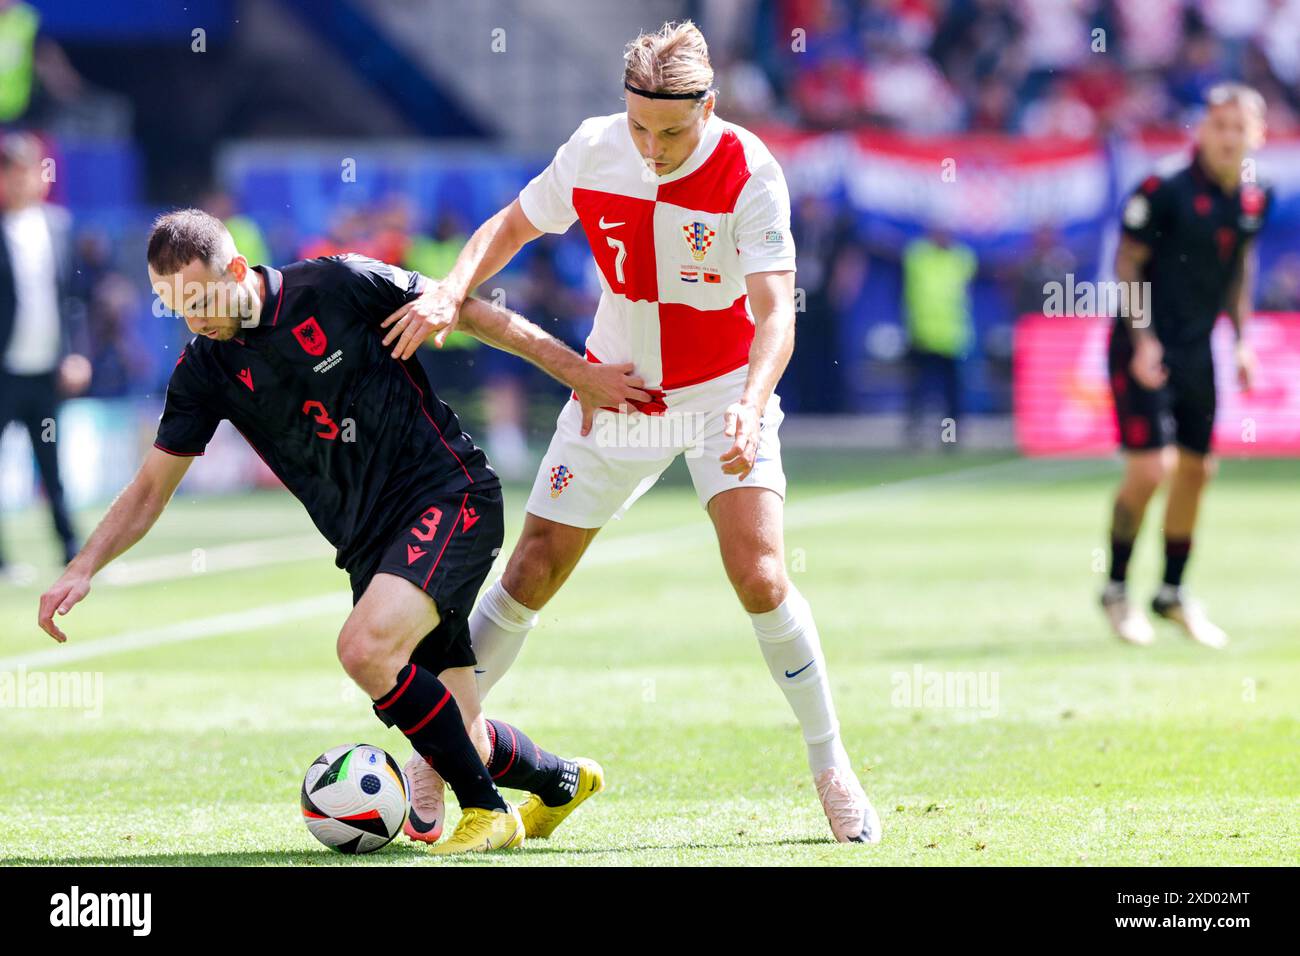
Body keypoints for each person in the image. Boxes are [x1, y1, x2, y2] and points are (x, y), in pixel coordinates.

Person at [379, 21, 881, 844]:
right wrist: (451, 288)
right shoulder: (593, 148)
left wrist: (752, 403)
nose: (651, 146)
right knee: (531, 569)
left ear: (710, 107)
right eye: (640, 125)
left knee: (758, 574)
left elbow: (772, 317)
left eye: (673, 131)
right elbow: (510, 225)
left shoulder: (751, 171)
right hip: (616, 390)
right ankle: (437, 756)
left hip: (724, 391)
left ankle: (830, 763)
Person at [37, 209, 647, 853]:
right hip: (366, 546)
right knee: (458, 730)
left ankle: (487, 812)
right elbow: (148, 490)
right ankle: (559, 781)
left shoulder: (336, 285)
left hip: (447, 494)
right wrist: (82, 566)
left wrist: (577, 372)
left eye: (200, 299)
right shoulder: (204, 370)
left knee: (364, 650)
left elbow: (464, 311)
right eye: (173, 308)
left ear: (237, 270)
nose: (193, 320)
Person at [1101, 83, 1271, 648]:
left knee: (1199, 470)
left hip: (1200, 351)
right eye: (1218, 125)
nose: (1227, 136)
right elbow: (1127, 263)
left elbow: (1238, 270)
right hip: (1141, 345)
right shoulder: (1163, 187)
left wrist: (1242, 341)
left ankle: (1172, 592)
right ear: (1200, 130)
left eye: (1238, 127)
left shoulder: (1251, 198)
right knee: (1153, 470)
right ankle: (1117, 590)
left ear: (1256, 136)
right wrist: (1144, 338)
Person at [0, 131, 89, 578]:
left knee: (53, 467)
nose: (20, 181)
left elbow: (73, 300)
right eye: (10, 172)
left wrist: (75, 354)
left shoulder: (57, 227)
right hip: (5, 373)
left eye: (27, 171)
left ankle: (71, 550)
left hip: (45, 372)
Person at [901, 226, 976, 448]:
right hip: (923, 336)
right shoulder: (919, 257)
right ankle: (916, 436)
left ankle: (950, 438)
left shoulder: (961, 258)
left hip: (951, 339)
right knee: (920, 393)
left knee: (951, 396)